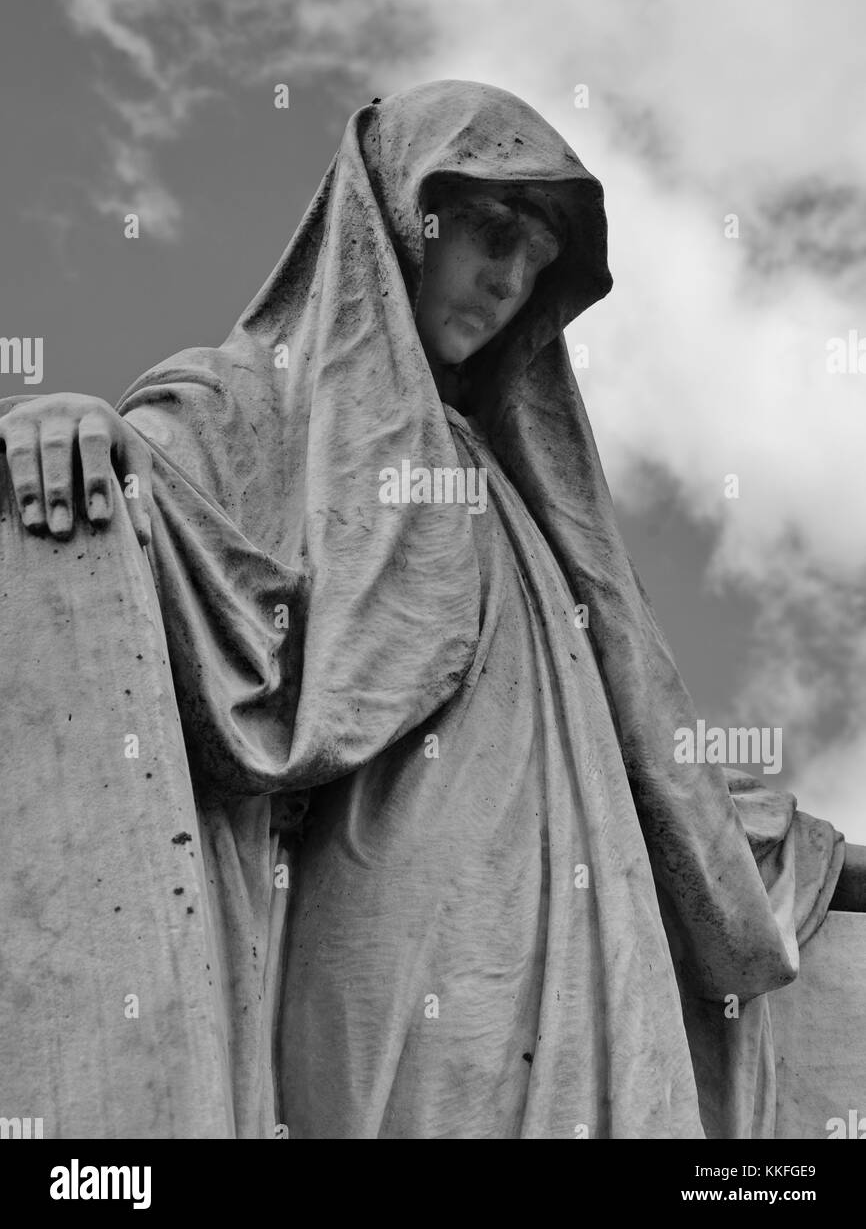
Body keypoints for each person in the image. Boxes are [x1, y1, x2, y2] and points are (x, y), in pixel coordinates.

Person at [0, 80, 856, 1138]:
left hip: (586, 936)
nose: (506, 280)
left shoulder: (526, 506)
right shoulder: (260, 408)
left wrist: (810, 851)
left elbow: (641, 757)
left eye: (536, 260)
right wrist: (63, 422)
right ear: (401, 216)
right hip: (390, 917)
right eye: (491, 232)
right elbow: (155, 509)